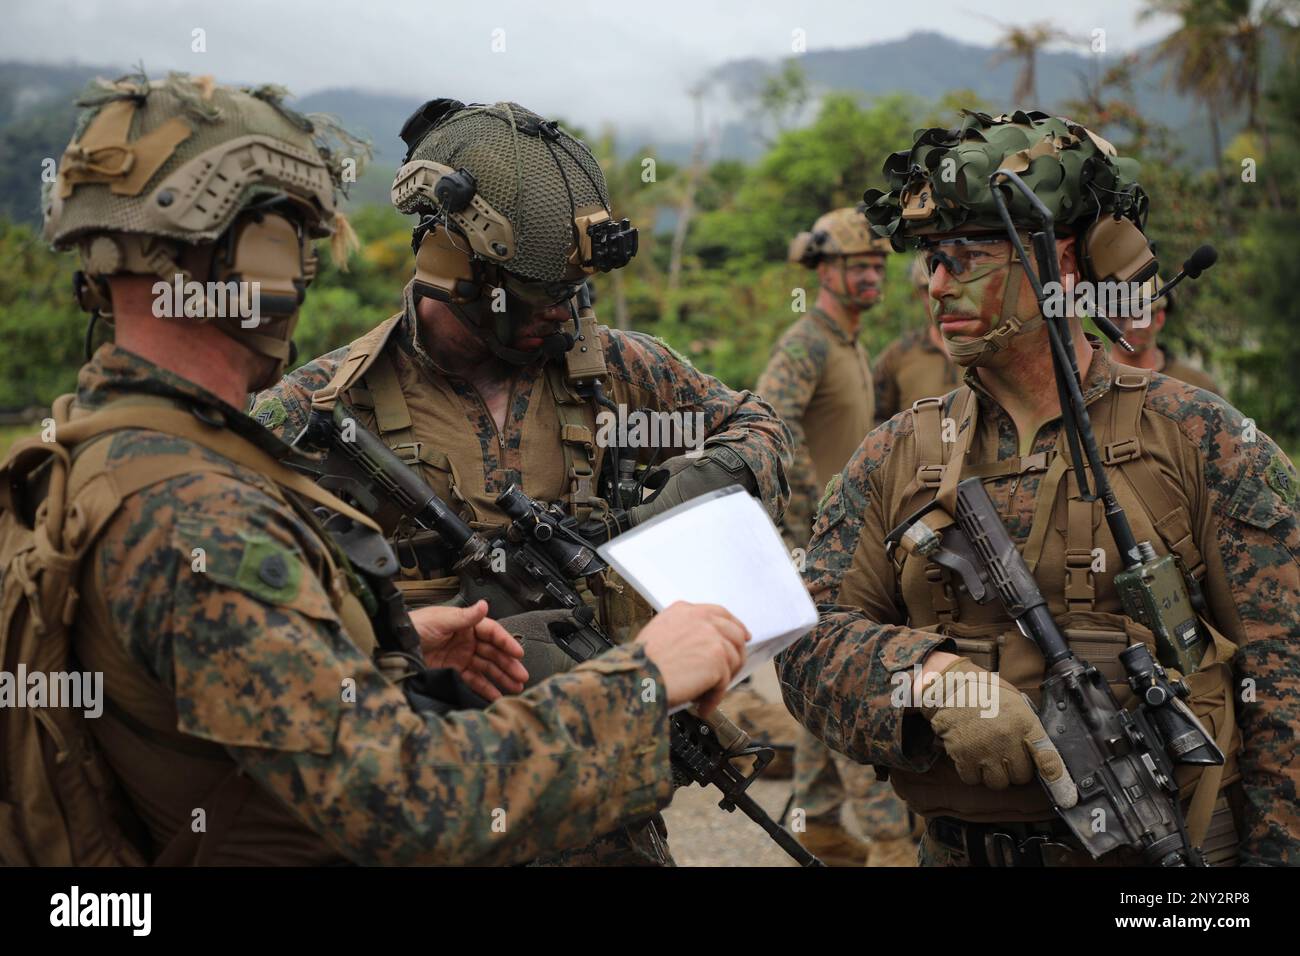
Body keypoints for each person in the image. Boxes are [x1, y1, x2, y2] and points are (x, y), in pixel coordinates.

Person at [0, 73, 750, 867]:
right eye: (295, 240)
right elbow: (405, 799)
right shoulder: (202, 515)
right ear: (255, 257)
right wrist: (643, 682)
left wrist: (371, 648)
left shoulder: (89, 461)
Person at [253, 98, 791, 865]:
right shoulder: (321, 410)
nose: (566, 319)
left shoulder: (615, 369)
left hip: (609, 816)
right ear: (453, 274)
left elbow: (762, 430)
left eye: (576, 295)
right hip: (432, 811)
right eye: (541, 298)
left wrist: (671, 502)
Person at [779, 109, 1300, 867]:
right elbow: (805, 640)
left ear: (1059, 264)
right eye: (930, 259)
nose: (936, 284)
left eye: (965, 256)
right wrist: (930, 677)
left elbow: (1283, 679)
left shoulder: (1201, 438)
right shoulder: (895, 453)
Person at [755, 208, 916, 866]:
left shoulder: (851, 343)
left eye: (879, 265)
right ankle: (890, 840)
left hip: (857, 543)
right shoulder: (808, 341)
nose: (873, 275)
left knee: (822, 684)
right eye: (859, 265)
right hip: (824, 549)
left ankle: (818, 819)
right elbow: (770, 422)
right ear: (824, 270)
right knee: (851, 684)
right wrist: (810, 519)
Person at [872, 254, 959, 425]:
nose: (938, 294)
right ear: (920, 294)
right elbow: (875, 420)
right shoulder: (899, 355)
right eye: (927, 288)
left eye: (950, 283)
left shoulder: (988, 350)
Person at [1111, 283, 1223, 395]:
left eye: (1140, 316)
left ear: (1159, 318)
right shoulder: (1096, 379)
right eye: (1119, 316)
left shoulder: (1196, 385)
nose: (1129, 327)